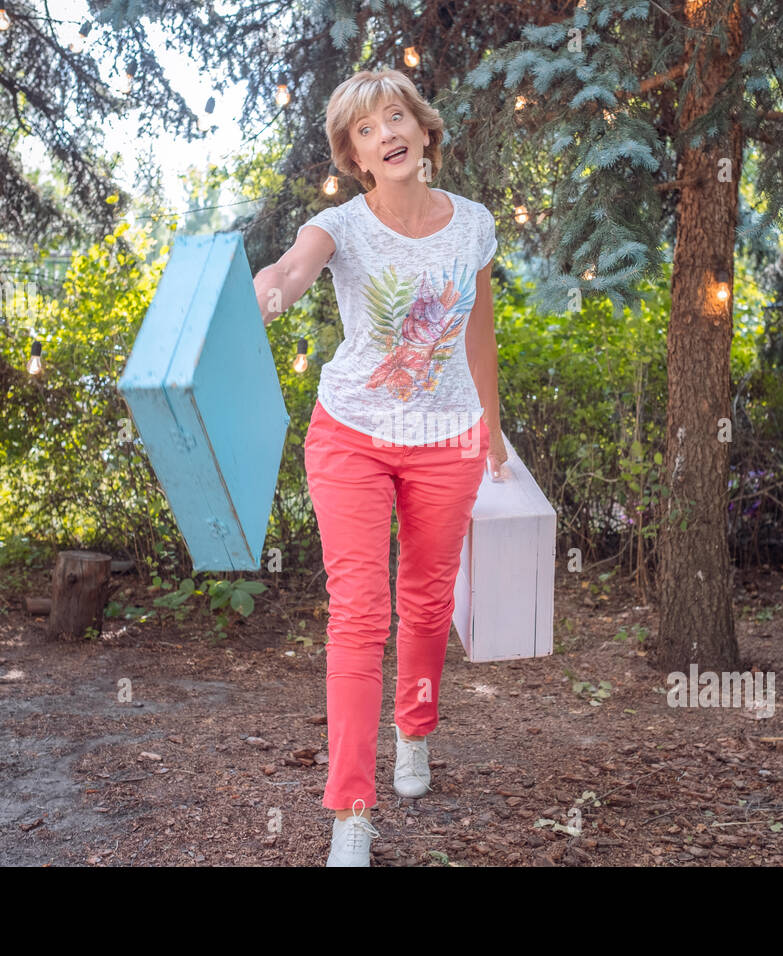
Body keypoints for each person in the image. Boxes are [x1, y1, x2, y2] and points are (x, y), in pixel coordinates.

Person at [252, 68, 508, 866]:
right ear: (355, 156)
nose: (385, 135)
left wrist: (492, 430)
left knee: (427, 606)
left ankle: (416, 731)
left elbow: (479, 334)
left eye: (395, 117)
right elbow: (294, 269)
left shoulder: (472, 226)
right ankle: (351, 814)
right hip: (352, 434)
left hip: (448, 439)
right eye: (366, 129)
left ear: (424, 132)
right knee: (360, 614)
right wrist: (272, 287)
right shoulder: (341, 227)